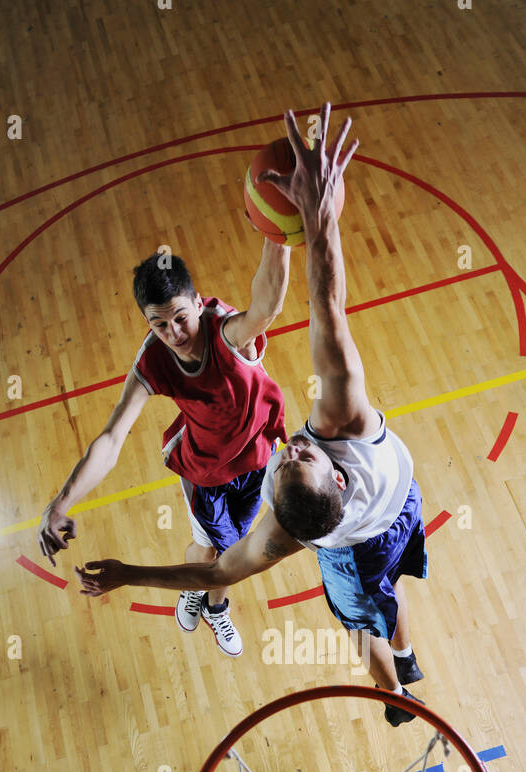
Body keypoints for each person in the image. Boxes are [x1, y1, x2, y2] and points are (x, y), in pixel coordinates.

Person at [77, 104, 427, 725]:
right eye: (300, 454)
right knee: (390, 587)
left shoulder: (292, 532)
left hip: (361, 540)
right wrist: (317, 220)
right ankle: (409, 656)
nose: (293, 448)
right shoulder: (347, 421)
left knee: (360, 617)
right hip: (403, 504)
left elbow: (221, 570)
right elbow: (330, 306)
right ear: (334, 477)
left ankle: (395, 698)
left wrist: (130, 573)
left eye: (287, 459)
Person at [37, 237, 290, 657]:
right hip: (203, 470)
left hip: (256, 455)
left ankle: (195, 586)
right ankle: (214, 604)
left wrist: (276, 234)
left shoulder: (228, 332)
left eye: (180, 317)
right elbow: (111, 438)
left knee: (224, 545)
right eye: (158, 324)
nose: (174, 333)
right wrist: (61, 503)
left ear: (196, 301)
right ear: (146, 321)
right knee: (224, 552)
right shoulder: (153, 359)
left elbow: (265, 308)